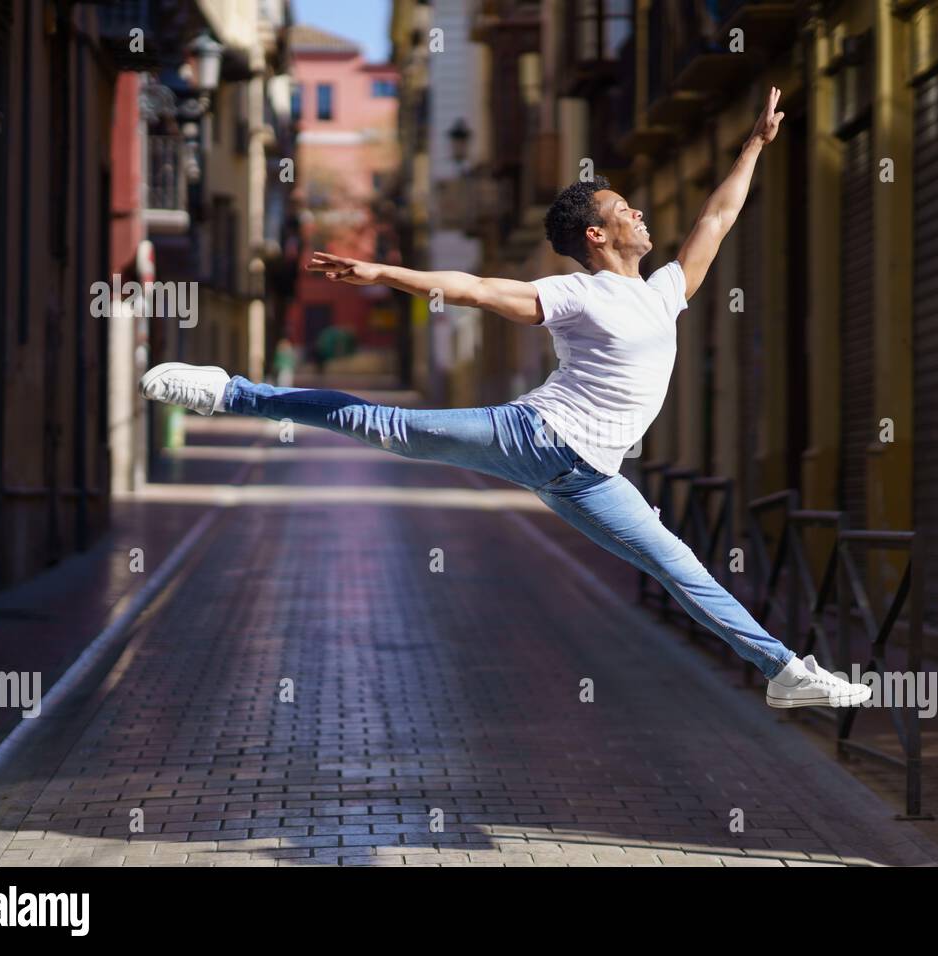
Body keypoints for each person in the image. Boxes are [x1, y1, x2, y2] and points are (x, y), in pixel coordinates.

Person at [139, 86, 871, 709]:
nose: (642, 215)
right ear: (597, 232)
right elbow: (478, 289)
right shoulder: (575, 294)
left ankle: (784, 673)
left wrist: (755, 144)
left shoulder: (664, 292)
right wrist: (382, 272)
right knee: (381, 424)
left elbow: (716, 219)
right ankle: (230, 393)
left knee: (681, 568)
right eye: (626, 209)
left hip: (591, 477)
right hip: (536, 438)